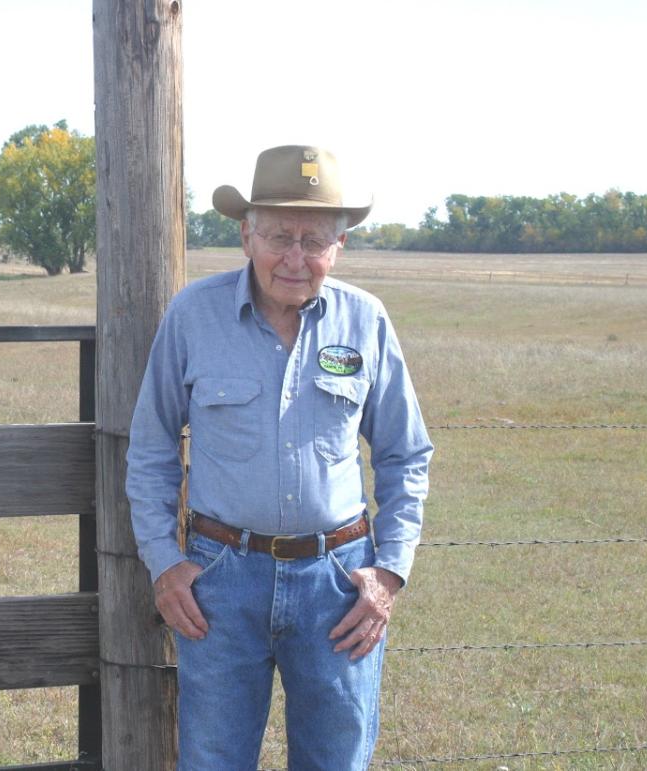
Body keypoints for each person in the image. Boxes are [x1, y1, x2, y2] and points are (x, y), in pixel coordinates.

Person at [126, 145, 433, 770]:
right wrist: (165, 564)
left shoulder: (366, 320)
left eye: (314, 240)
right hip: (219, 583)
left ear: (337, 247)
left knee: (334, 761)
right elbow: (152, 447)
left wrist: (389, 573)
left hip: (339, 587)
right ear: (246, 235)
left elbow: (406, 454)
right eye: (278, 236)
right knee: (213, 761)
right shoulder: (194, 315)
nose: (295, 257)